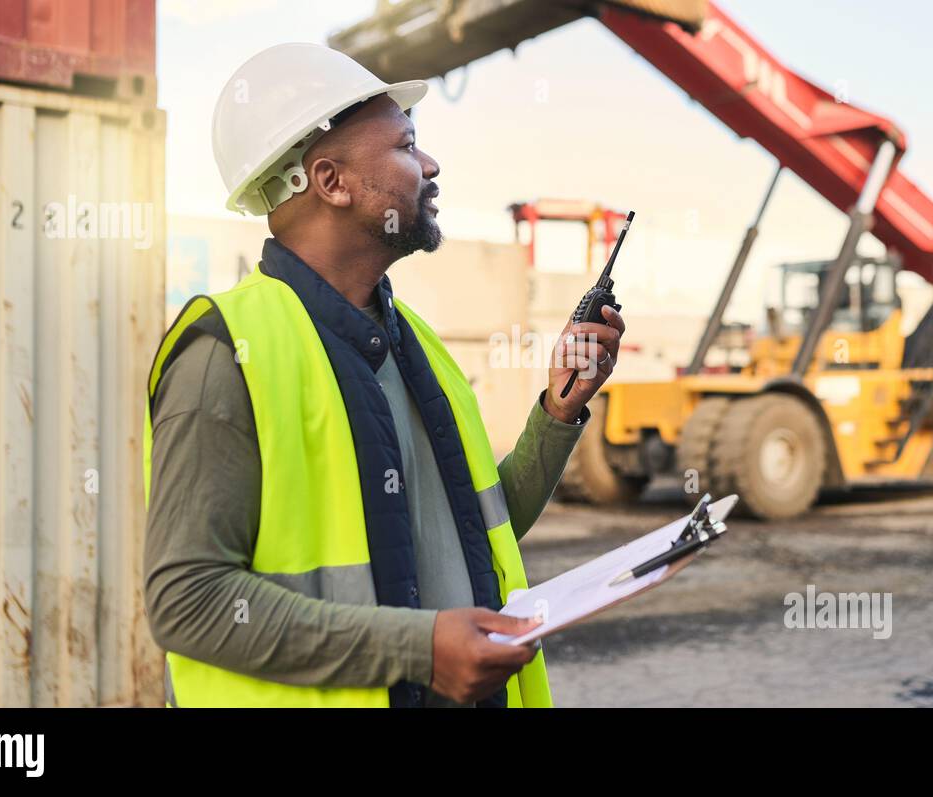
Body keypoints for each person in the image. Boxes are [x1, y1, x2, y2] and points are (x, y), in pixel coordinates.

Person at [142, 43, 625, 708]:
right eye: (405, 146)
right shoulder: (226, 353)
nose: (430, 165)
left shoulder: (416, 345)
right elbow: (187, 600)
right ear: (331, 181)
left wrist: (558, 411)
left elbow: (478, 532)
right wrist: (416, 650)